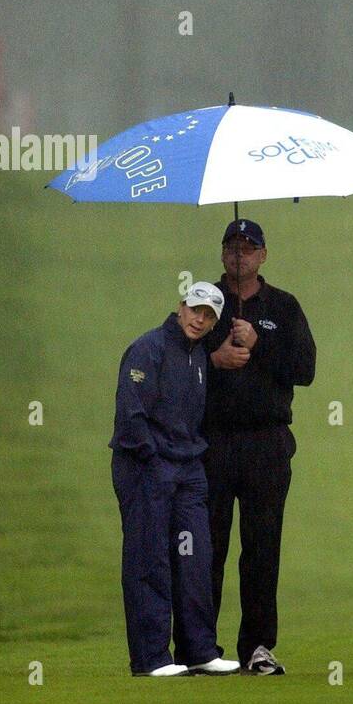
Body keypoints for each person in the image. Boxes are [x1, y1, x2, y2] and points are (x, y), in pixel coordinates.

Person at [202, 219, 316, 676]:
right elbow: (176, 356)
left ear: (263, 256)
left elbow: (305, 368)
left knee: (262, 547)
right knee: (205, 546)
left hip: (266, 442)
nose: (239, 254)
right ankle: (200, 645)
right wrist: (216, 359)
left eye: (249, 248)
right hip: (210, 441)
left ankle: (257, 647)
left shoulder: (283, 307)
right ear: (222, 253)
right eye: (232, 246)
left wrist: (259, 341)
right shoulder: (204, 301)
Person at [109, 282, 240, 677]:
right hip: (146, 467)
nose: (200, 320)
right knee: (150, 559)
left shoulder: (198, 356)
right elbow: (131, 415)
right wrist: (153, 457)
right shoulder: (148, 349)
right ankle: (151, 658)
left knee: (194, 559)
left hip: (187, 470)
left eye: (209, 316)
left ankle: (197, 650)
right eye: (195, 310)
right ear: (181, 306)